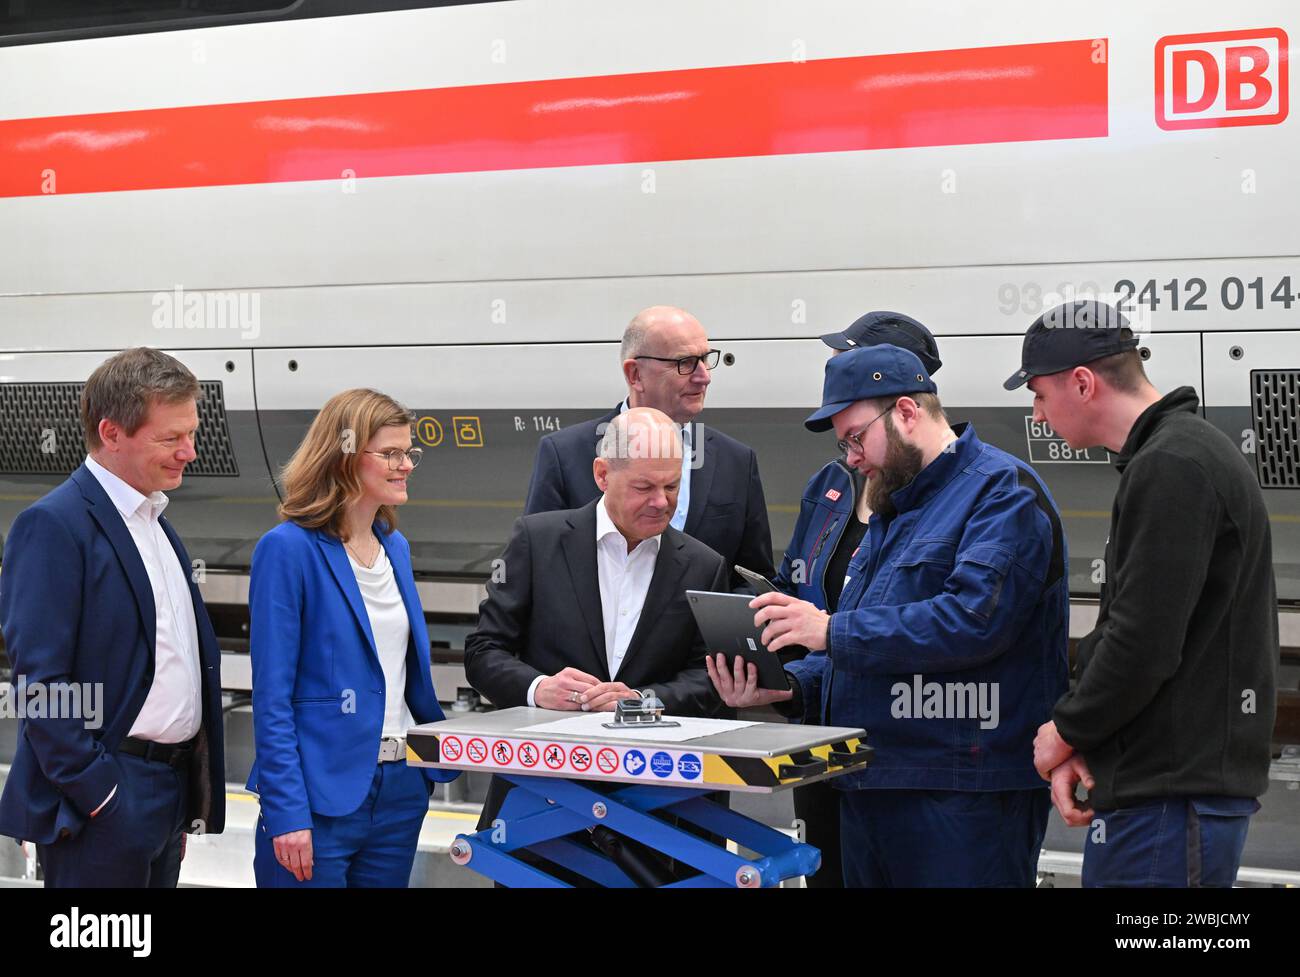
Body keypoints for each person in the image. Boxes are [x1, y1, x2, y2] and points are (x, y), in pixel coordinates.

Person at [709, 344, 1068, 887]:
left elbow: (972, 622)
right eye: (843, 443)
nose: (850, 457)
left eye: (856, 437)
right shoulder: (893, 510)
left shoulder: (1001, 494)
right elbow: (873, 655)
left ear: (905, 411)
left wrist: (828, 629)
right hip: (872, 781)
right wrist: (789, 689)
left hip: (962, 792)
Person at [1008, 300, 1278, 888]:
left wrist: (1066, 729)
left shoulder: (1173, 465)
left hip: (1170, 803)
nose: (1035, 412)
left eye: (1038, 393)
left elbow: (1143, 641)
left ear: (1081, 383)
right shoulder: (1172, 456)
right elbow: (1128, 625)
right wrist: (1086, 737)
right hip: (1166, 793)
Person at [0, 346, 226, 887]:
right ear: (111, 432)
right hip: (106, 799)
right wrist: (100, 792)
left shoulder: (156, 523)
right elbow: (40, 684)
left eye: (191, 434)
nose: (189, 452)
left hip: (167, 792)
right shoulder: (54, 525)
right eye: (170, 438)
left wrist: (182, 792)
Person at [466, 408, 730, 860]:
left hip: (656, 812)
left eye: (671, 486)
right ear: (602, 474)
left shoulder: (703, 564)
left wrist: (643, 703)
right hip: (539, 801)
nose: (661, 502)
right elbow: (484, 651)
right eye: (644, 487)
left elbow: (707, 678)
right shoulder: (538, 539)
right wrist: (537, 689)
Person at [247, 388, 459, 888]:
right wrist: (288, 812)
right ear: (344, 455)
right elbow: (272, 699)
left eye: (410, 453)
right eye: (391, 453)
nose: (405, 464)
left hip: (400, 789)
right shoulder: (287, 550)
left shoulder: (395, 547)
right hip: (320, 799)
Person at [770, 311, 943, 889]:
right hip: (820, 734)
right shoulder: (830, 485)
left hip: (901, 746)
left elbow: (947, 623)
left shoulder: (946, 495)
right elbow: (796, 581)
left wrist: (829, 632)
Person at [524, 305, 774, 581]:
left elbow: (752, 580)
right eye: (686, 362)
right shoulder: (564, 455)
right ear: (635, 375)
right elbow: (537, 572)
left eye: (705, 359)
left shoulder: (736, 462)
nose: (705, 376)